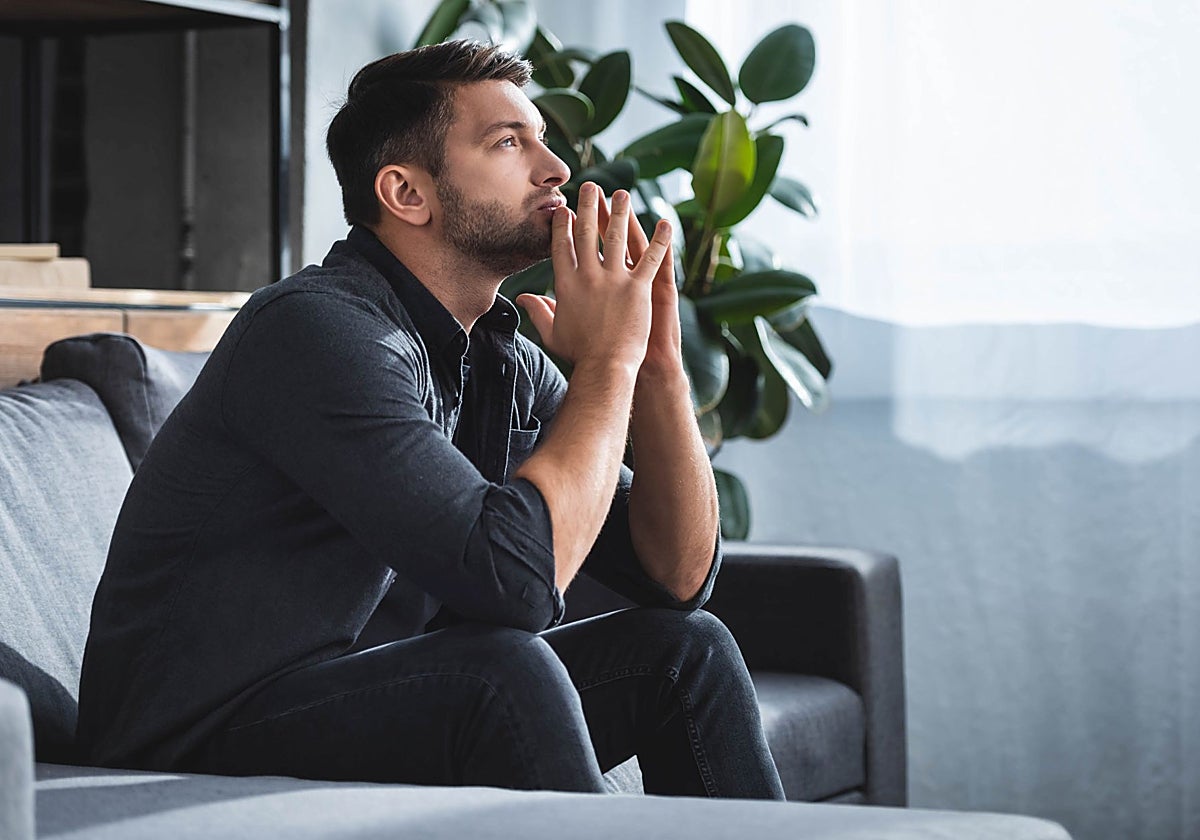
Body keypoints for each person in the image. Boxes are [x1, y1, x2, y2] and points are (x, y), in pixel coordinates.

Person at [75, 39, 785, 800]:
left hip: (365, 704)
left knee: (685, 651)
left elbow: (677, 578)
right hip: (194, 738)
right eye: (509, 143)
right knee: (501, 667)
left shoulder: (499, 355)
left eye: (543, 140)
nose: (555, 170)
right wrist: (607, 365)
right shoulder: (317, 331)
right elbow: (516, 587)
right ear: (407, 193)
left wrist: (656, 365)